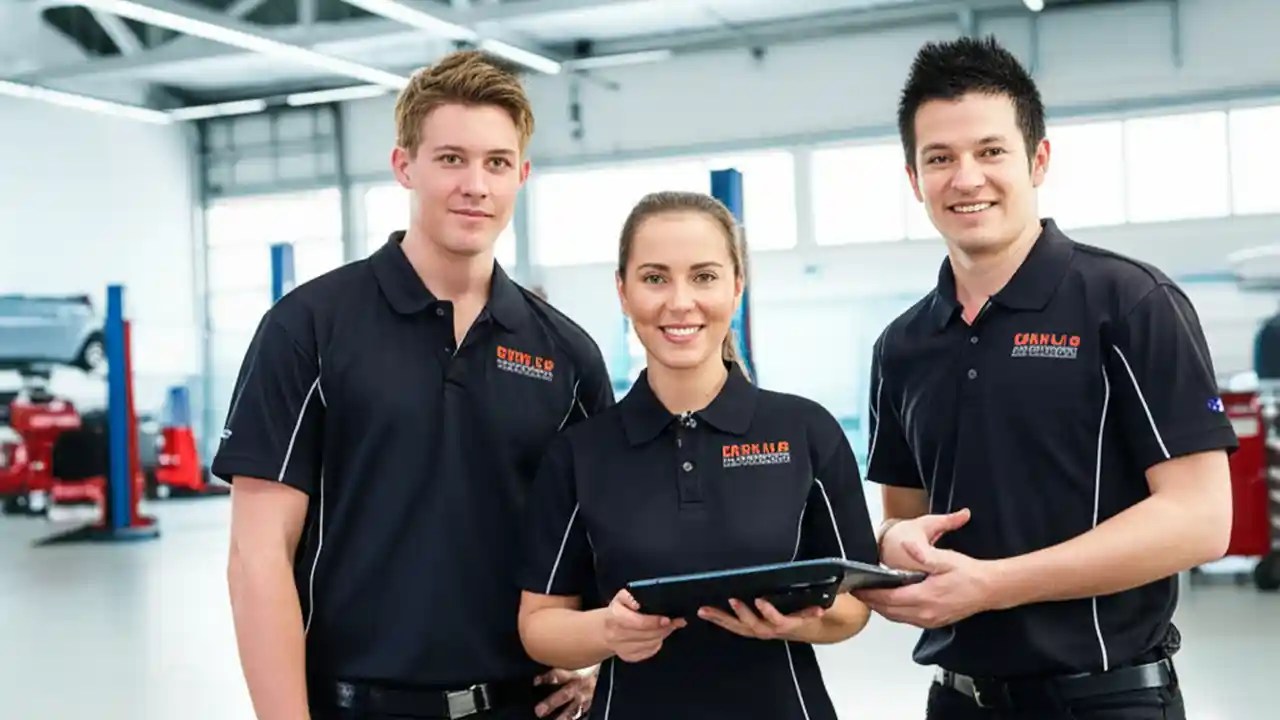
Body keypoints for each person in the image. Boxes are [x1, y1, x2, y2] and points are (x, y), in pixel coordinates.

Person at [213, 50, 612, 720]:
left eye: (497, 163)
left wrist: (604, 667)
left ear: (522, 175)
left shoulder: (567, 356)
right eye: (451, 159)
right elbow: (257, 557)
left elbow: (605, 538)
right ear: (405, 166)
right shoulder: (309, 328)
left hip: (521, 707)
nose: (475, 185)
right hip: (356, 706)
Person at [853, 36, 1238, 720]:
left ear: (1038, 160)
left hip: (1105, 698)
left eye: (990, 151)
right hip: (958, 700)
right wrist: (889, 546)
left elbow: (1201, 521)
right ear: (913, 179)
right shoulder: (902, 347)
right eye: (939, 158)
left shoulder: (1130, 303)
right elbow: (906, 519)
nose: (966, 178)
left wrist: (994, 584)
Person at [516, 191, 878, 719]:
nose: (680, 302)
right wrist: (608, 630)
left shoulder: (805, 431)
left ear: (737, 287)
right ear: (623, 291)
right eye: (655, 278)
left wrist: (799, 623)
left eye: (704, 276)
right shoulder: (581, 453)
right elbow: (539, 625)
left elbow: (856, 602)